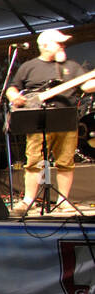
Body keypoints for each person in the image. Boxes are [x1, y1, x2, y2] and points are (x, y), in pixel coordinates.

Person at [7, 29, 95, 216]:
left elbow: (86, 87)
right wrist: (15, 98)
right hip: (37, 120)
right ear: (45, 45)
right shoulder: (29, 67)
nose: (63, 46)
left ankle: (63, 201)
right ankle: (28, 201)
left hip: (65, 120)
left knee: (65, 162)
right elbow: (12, 88)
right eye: (59, 43)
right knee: (34, 161)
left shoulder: (72, 66)